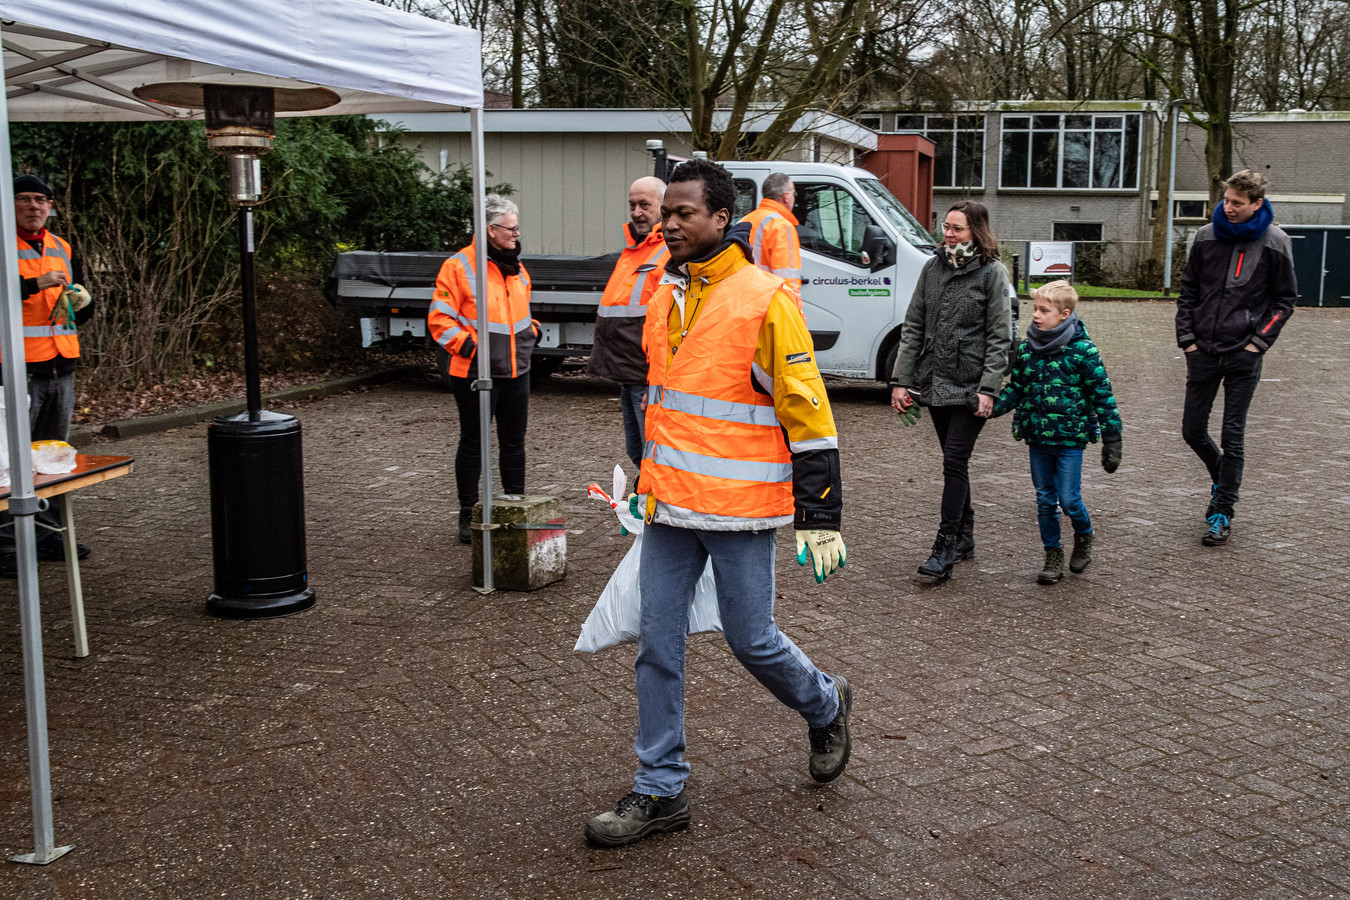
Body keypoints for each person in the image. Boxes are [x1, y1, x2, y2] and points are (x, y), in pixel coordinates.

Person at [585, 159, 849, 848]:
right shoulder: (666, 293)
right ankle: (660, 787)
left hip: (739, 509)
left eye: (684, 213)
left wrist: (821, 514)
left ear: (721, 218)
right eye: (665, 213)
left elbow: (808, 411)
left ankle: (825, 702)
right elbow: (666, 406)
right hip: (671, 507)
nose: (668, 224)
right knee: (657, 643)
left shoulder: (764, 299)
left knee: (751, 639)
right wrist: (644, 487)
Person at [889, 200, 1011, 580]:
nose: (949, 234)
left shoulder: (992, 273)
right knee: (954, 461)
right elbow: (913, 325)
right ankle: (966, 536)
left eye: (957, 228)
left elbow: (1000, 337)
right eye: (946, 227)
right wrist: (901, 380)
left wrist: (989, 388)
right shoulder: (933, 268)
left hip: (972, 386)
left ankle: (944, 547)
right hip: (936, 381)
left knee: (954, 461)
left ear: (976, 231)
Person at [1176, 169, 1296, 546]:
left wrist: (1257, 344)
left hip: (1244, 355)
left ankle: (1222, 511)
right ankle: (1222, 477)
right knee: (1192, 430)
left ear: (1256, 204)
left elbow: (1284, 301)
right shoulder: (1205, 236)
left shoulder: (1275, 241)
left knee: (1233, 435)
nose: (1228, 208)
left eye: (1237, 203)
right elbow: (1188, 292)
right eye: (1226, 200)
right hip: (1202, 352)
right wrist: (1187, 340)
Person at [991, 281, 1122, 584]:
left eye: (1044, 310)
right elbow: (1017, 389)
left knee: (1069, 499)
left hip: (1070, 440)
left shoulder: (1083, 351)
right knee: (1045, 500)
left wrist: (1112, 438)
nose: (1036, 315)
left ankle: (1084, 535)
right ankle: (1052, 554)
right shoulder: (1027, 349)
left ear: (1064, 314)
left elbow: (1103, 396)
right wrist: (989, 407)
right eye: (1035, 309)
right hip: (1037, 437)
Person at [427, 194, 538, 544]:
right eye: (510, 228)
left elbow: (523, 312)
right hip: (475, 374)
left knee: (513, 443)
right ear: (490, 229)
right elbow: (439, 319)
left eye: (517, 228)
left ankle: (515, 508)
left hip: (517, 371)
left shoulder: (516, 266)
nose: (516, 234)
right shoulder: (459, 266)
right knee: (473, 442)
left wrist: (531, 334)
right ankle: (467, 513)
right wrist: (471, 349)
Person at [0, 174, 93, 577]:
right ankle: (7, 544)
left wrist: (83, 301)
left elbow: (81, 306)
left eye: (40, 199)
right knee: (9, 461)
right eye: (24, 198)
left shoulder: (62, 246)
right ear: (11, 204)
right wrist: (33, 284)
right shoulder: (3, 243)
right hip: (16, 369)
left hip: (61, 364)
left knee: (53, 456)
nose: (33, 206)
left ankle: (48, 534)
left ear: (50, 206)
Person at [587, 176, 668, 471]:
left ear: (664, 206)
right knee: (637, 452)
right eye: (632, 205)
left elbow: (667, 324)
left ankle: (652, 500)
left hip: (646, 377)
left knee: (652, 457)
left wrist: (656, 382)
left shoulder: (666, 253)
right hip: (630, 374)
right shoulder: (636, 250)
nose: (636, 212)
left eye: (644, 205)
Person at [740, 172, 802, 296]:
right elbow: (788, 281)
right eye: (793, 193)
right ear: (786, 197)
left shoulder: (744, 220)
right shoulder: (781, 225)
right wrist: (795, 307)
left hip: (744, 299)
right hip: (768, 301)